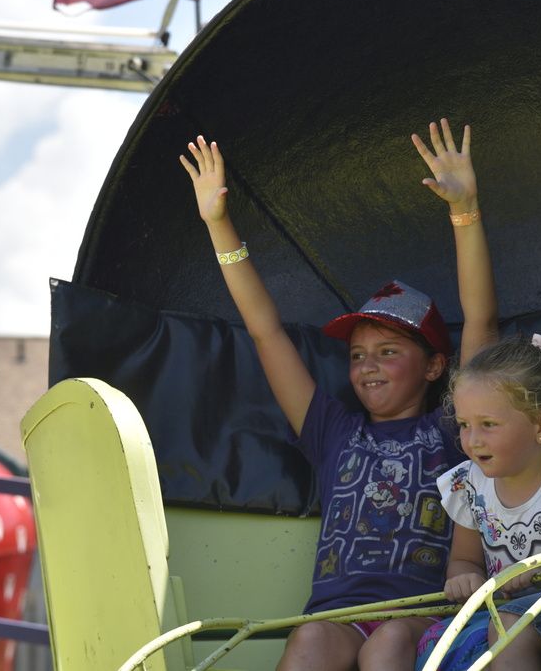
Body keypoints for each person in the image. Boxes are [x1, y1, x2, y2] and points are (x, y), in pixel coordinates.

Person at [179, 118, 498, 671]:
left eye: (389, 352)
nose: (367, 366)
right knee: (307, 644)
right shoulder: (333, 429)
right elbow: (264, 331)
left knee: (387, 649)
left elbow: (482, 320)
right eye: (356, 355)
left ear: (435, 367)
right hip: (337, 617)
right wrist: (219, 223)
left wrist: (463, 212)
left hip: (420, 613)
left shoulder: (454, 425)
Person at [415, 334, 541, 671]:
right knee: (504, 628)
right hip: (513, 616)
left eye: (488, 425)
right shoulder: (470, 486)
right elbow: (464, 560)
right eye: (465, 425)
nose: (472, 440)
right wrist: (464, 577)